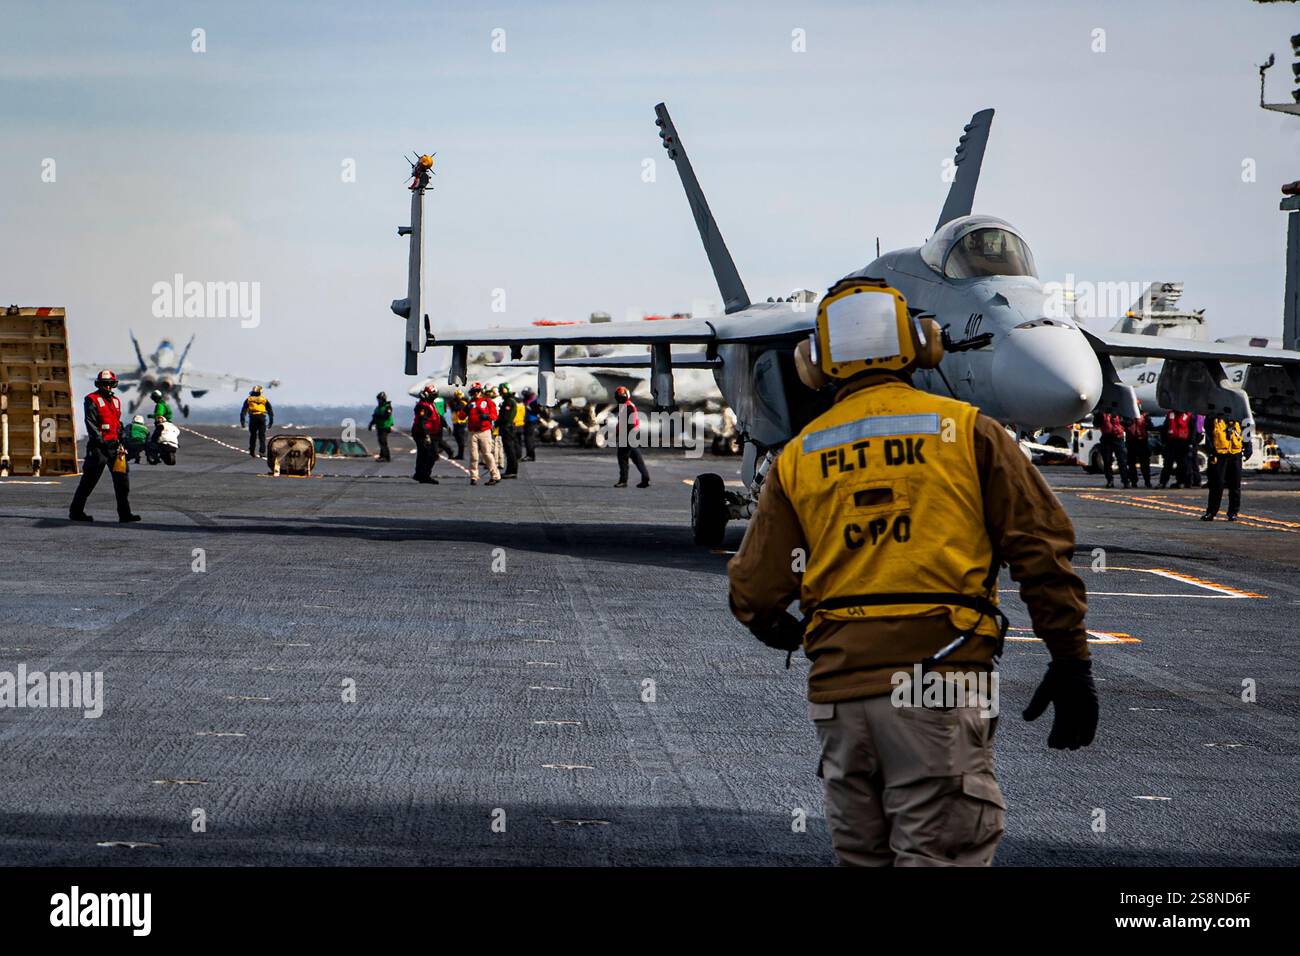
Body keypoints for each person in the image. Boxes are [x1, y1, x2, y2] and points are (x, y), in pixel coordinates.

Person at [727, 277, 1095, 867]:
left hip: (841, 696)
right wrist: (1071, 660)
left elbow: (753, 587)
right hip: (941, 680)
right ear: (922, 343)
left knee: (864, 859)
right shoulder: (972, 434)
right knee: (940, 855)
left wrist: (777, 626)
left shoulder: (801, 454)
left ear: (817, 364)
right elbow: (1041, 552)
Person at [69, 369, 141, 523]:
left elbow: (117, 423)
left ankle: (125, 514)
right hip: (98, 449)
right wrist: (102, 441)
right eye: (104, 384)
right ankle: (76, 512)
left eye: (109, 384)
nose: (107, 387)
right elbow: (91, 424)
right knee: (89, 481)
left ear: (113, 385)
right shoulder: (91, 399)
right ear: (99, 384)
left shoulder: (116, 401)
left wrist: (122, 439)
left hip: (115, 448)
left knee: (122, 482)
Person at [1202, 415, 1246, 521]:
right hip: (1219, 454)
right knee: (1217, 484)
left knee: (1235, 485)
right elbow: (1208, 435)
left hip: (1235, 454)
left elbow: (1246, 433)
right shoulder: (1212, 418)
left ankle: (1233, 512)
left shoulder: (1241, 416)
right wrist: (1211, 451)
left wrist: (1248, 448)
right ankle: (1211, 511)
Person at [611, 385, 650, 488]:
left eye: (620, 397)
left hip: (627, 436)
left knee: (622, 458)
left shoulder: (627, 407)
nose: (619, 399)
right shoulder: (627, 405)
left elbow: (629, 424)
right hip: (630, 436)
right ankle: (645, 477)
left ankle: (623, 481)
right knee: (637, 459)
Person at [466, 383, 501, 486]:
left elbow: (495, 416)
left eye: (477, 391)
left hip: (484, 431)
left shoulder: (488, 402)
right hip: (472, 432)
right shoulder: (470, 403)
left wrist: (487, 416)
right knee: (473, 456)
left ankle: (495, 475)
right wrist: (466, 409)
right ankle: (473, 477)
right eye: (473, 392)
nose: (476, 393)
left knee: (487, 454)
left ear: (480, 391)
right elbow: (461, 416)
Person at [411, 386, 442, 484]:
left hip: (431, 433)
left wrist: (444, 424)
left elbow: (436, 416)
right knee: (428, 454)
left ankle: (420, 474)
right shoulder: (423, 406)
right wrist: (426, 435)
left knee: (425, 454)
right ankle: (423, 475)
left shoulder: (430, 404)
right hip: (422, 433)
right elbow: (422, 422)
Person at [1097, 411, 1129, 488]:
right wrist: (1100, 417)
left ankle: (1125, 481)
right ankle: (1110, 480)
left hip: (1118, 438)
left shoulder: (1120, 410)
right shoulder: (1101, 413)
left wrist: (1120, 422)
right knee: (1107, 461)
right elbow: (1096, 423)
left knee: (1122, 461)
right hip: (1106, 438)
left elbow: (1129, 422)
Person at [1159, 410, 1190, 488]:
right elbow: (1165, 427)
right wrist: (1164, 441)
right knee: (1168, 463)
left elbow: (1192, 429)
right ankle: (1163, 482)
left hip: (1183, 442)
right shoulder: (1170, 414)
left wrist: (1190, 443)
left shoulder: (1188, 415)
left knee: (1182, 464)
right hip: (1171, 442)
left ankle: (1181, 482)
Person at [240, 385, 274, 458]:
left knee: (253, 435)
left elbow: (243, 411)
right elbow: (270, 411)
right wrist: (271, 421)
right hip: (262, 418)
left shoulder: (249, 399)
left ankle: (252, 451)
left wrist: (242, 422)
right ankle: (262, 452)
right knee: (262, 436)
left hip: (253, 418)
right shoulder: (264, 399)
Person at [1124, 406, 1153, 488]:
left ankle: (1147, 481)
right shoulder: (1128, 417)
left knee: (1145, 464)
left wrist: (1147, 423)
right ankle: (1133, 481)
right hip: (1131, 441)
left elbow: (1150, 426)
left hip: (1142, 442)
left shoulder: (1145, 416)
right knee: (1131, 464)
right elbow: (1124, 424)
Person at [497, 382, 521, 478]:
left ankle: (512, 471)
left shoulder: (509, 401)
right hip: (506, 428)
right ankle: (510, 470)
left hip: (508, 429)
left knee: (510, 450)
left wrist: (500, 424)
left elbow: (506, 417)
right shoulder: (507, 400)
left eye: (502, 390)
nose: (500, 392)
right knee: (508, 450)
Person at [368, 391, 394, 462]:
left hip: (385, 426)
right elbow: (374, 418)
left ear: (383, 399)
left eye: (380, 399)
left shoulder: (387, 407)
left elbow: (386, 416)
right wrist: (370, 424)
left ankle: (386, 457)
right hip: (379, 426)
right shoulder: (378, 408)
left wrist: (378, 417)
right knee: (381, 441)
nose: (379, 401)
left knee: (383, 441)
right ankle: (382, 455)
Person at [521, 387, 545, 461]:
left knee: (529, 439)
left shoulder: (534, 400)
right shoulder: (527, 400)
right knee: (528, 438)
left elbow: (538, 410)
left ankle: (530, 455)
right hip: (527, 420)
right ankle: (530, 454)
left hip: (531, 420)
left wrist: (529, 409)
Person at [432, 392, 457, 460]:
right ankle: (447, 452)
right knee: (438, 441)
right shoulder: (441, 400)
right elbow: (444, 411)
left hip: (435, 423)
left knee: (436, 441)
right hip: (439, 422)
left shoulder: (432, 402)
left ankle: (436, 454)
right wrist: (446, 425)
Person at [1186, 414, 1205, 488]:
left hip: (1191, 441)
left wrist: (1191, 442)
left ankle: (1189, 481)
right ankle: (1197, 480)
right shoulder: (1199, 415)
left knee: (1189, 463)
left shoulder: (1192, 416)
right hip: (1196, 441)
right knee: (1194, 463)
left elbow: (1194, 430)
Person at [450, 389, 469, 460]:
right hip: (455, 422)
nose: (458, 397)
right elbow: (454, 407)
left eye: (459, 395)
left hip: (462, 422)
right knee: (457, 437)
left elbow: (457, 408)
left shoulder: (464, 402)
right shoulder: (453, 402)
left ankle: (461, 455)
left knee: (461, 439)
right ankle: (460, 454)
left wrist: (458, 403)